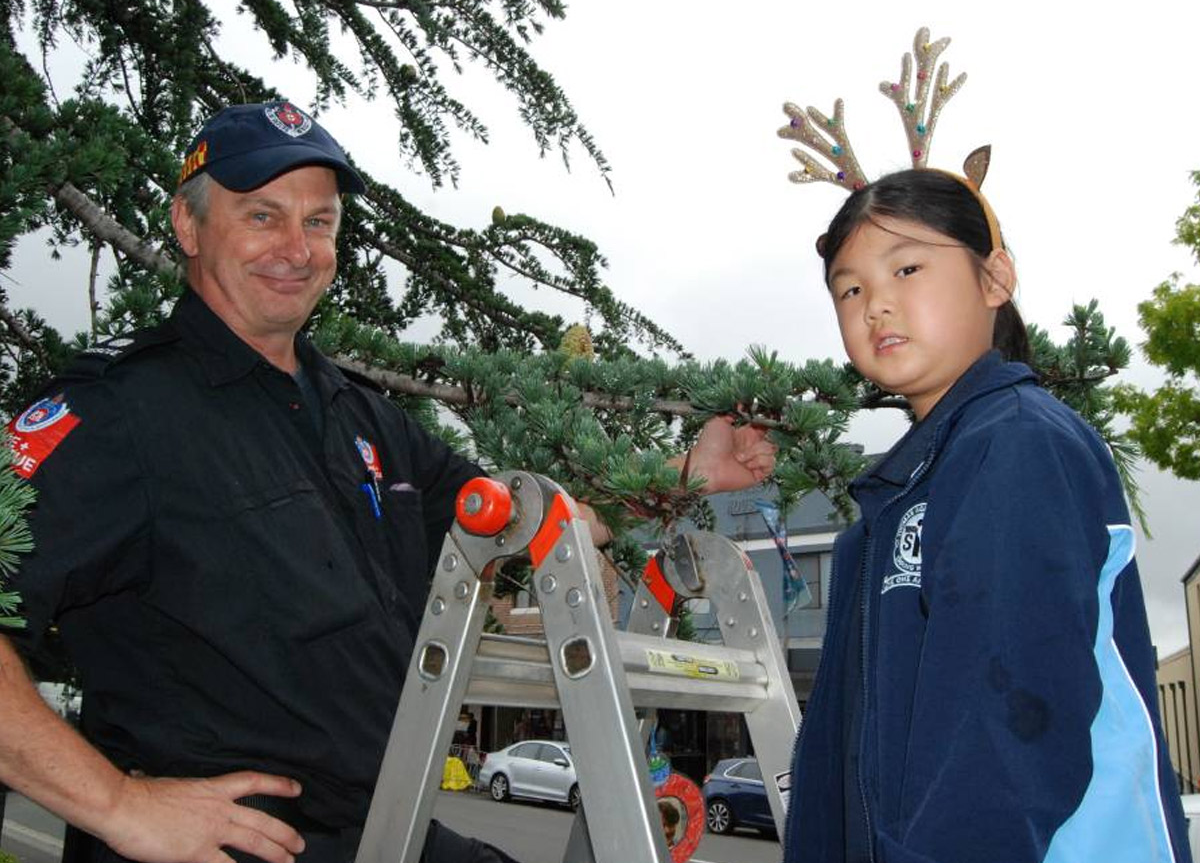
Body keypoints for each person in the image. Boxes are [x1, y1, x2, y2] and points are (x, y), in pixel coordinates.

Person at [0, 101, 777, 863]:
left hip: (382, 830)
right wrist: (118, 806)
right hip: (232, 842)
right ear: (188, 225)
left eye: (319, 221)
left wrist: (687, 474)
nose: (296, 248)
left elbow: (527, 519)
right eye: (263, 216)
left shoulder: (360, 418)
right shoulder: (115, 411)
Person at [782, 169, 1191, 862]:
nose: (876, 305)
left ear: (995, 277)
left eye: (907, 267)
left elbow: (1010, 724)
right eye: (850, 289)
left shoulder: (1017, 444)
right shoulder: (887, 507)